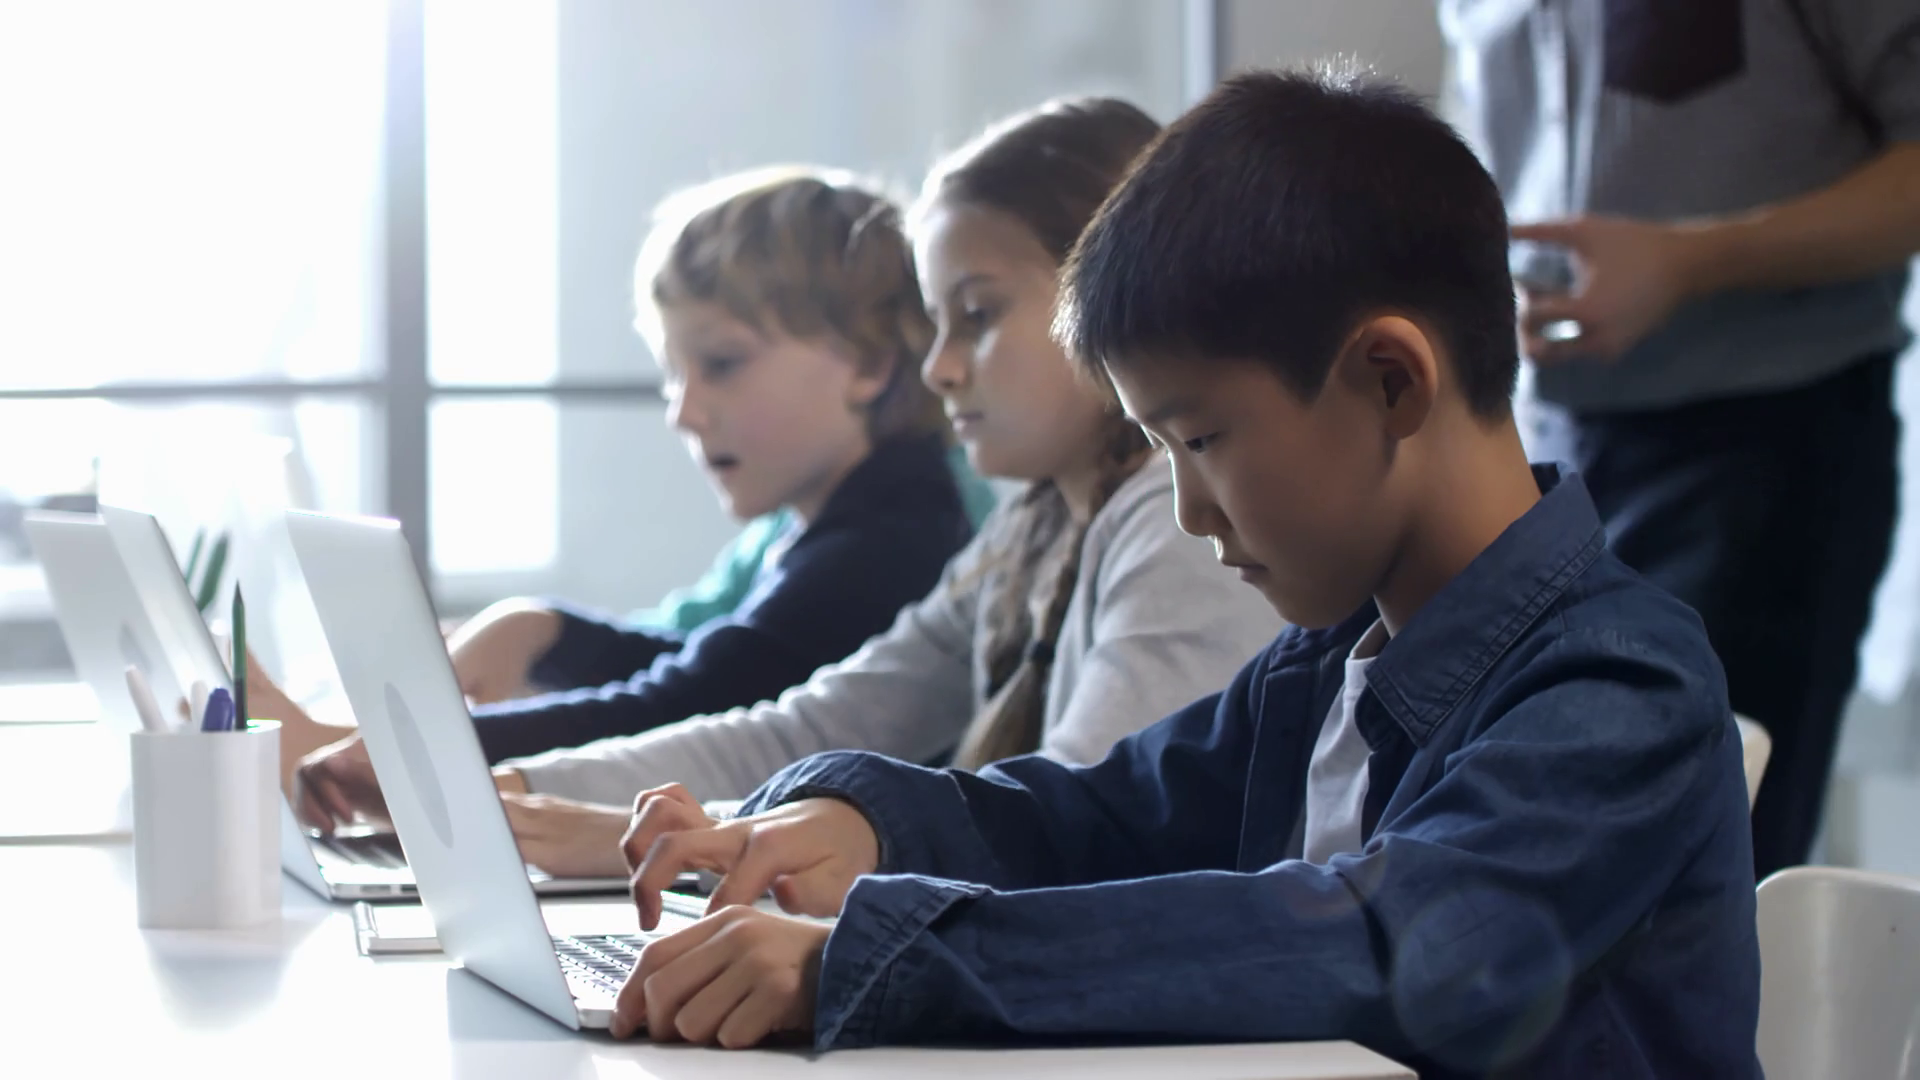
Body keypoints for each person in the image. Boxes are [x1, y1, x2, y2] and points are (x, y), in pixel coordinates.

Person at [606, 69, 1763, 1076]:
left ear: (1391, 382)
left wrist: (876, 954)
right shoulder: (1325, 666)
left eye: (1201, 441)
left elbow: (1372, 942)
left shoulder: (1619, 688)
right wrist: (866, 824)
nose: (1189, 510)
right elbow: (1096, 816)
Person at [357, 97, 1280, 879]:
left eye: (979, 316)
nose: (941, 368)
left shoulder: (1177, 527)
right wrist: (527, 789)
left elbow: (1070, 828)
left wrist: (695, 840)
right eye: (934, 324)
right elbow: (808, 728)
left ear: (1119, 296)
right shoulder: (1031, 534)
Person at [283, 168, 981, 827]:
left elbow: (691, 705)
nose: (686, 412)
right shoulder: (830, 524)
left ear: (868, 362)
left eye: (721, 365)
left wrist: (397, 749)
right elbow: (709, 659)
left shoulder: (890, 545)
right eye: (673, 376)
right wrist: (549, 632)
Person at [1440, 0, 1920, 876]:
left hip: (1766, 452)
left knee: (1696, 892)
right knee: (1548, 865)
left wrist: (1692, 261)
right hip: (1540, 457)